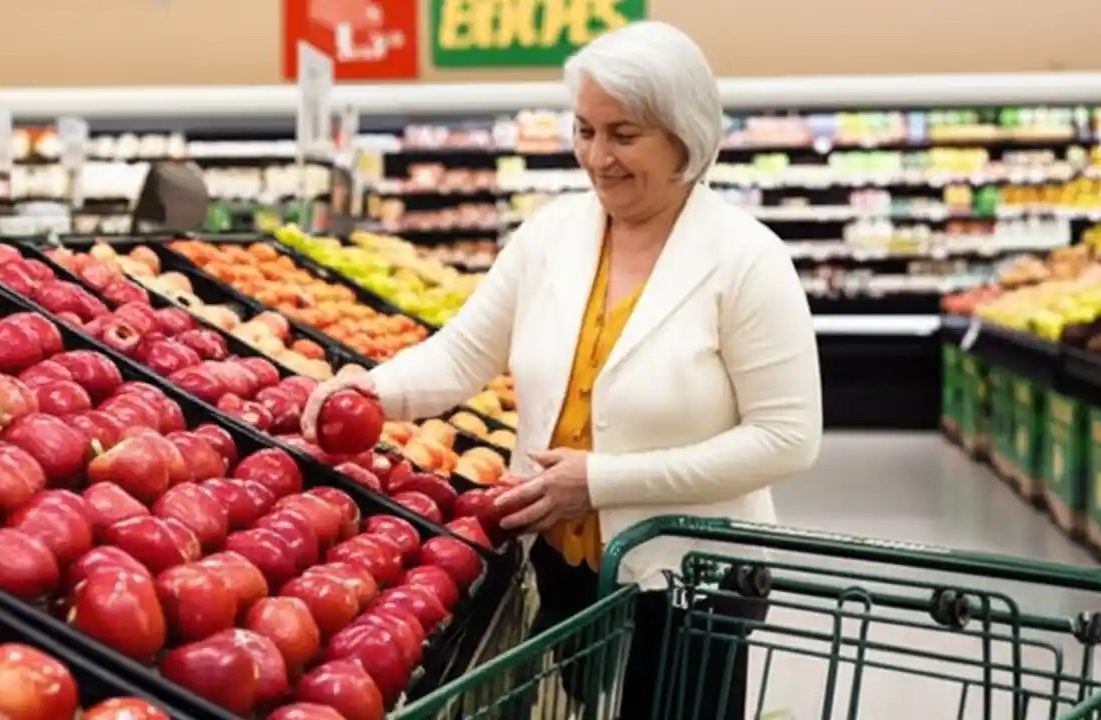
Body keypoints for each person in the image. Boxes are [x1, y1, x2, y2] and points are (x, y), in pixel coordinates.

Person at [301, 19, 822, 718]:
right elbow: (463, 354)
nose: (598, 157)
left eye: (624, 134)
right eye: (585, 130)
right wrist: (370, 390)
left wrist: (602, 482)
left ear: (685, 135)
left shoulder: (746, 260)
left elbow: (788, 437)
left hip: (689, 583)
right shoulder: (550, 237)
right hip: (563, 569)